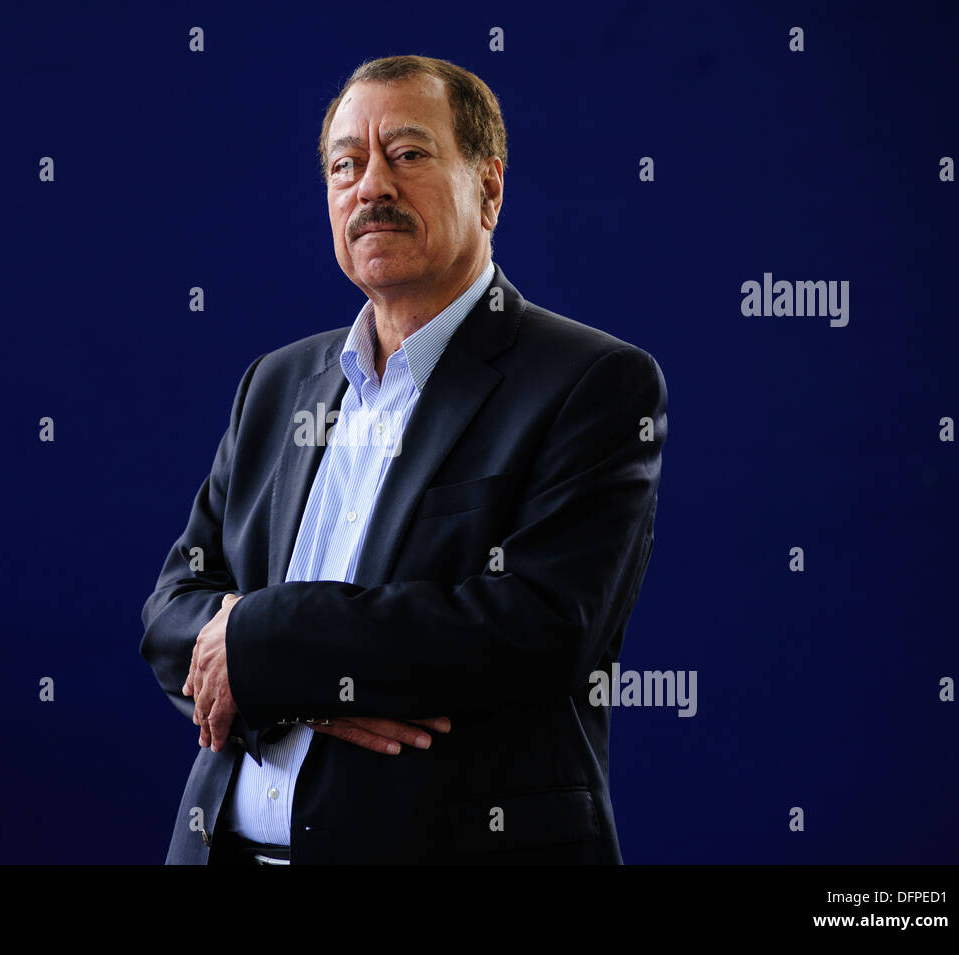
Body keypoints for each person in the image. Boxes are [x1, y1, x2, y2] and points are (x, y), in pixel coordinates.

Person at [140, 54, 667, 864]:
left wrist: (267, 641)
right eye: (345, 164)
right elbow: (174, 611)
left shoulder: (590, 383)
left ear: (489, 189)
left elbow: (538, 628)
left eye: (408, 155)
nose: (370, 186)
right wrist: (287, 686)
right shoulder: (277, 384)